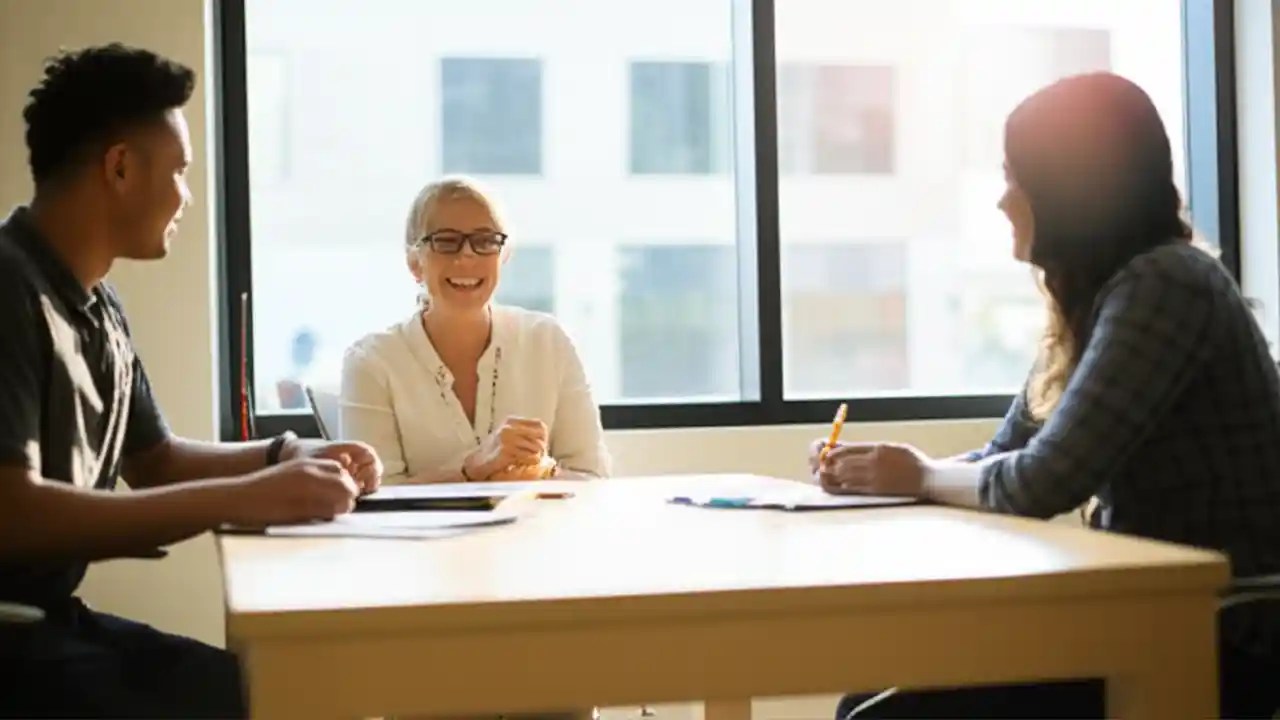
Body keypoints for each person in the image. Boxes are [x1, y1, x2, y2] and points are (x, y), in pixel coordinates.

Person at [813, 73, 1280, 719]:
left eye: (1015, 175)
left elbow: (1041, 483)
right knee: (868, 704)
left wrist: (920, 475)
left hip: (1228, 631)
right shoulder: (1105, 294)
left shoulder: (1166, 284)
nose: (1004, 200)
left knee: (881, 717)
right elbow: (1010, 452)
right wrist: (883, 474)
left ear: (1070, 186)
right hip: (1158, 615)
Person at [0, 44, 383, 718]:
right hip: (14, 645)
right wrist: (251, 497)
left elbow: (156, 461)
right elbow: (12, 512)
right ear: (120, 166)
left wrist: (285, 456)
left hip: (52, 622)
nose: (186, 195)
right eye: (179, 170)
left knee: (275, 687)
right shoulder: (8, 289)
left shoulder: (98, 304)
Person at [342, 177, 609, 484]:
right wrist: (472, 470)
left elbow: (593, 477)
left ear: (503, 255)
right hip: (429, 535)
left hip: (538, 530)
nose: (467, 256)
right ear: (415, 263)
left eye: (485, 241)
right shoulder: (371, 361)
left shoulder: (548, 340)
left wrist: (542, 470)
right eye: (445, 241)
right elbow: (376, 497)